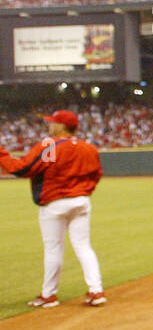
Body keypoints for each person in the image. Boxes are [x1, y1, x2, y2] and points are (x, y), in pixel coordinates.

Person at [0, 109, 108, 308]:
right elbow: (97, 174)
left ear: (61, 126)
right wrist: (84, 191)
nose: (49, 125)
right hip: (81, 201)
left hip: (54, 203)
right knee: (84, 247)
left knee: (53, 249)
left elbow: (21, 169)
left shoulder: (49, 145)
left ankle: (49, 295)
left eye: (53, 122)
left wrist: (1, 154)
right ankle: (96, 290)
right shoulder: (88, 147)